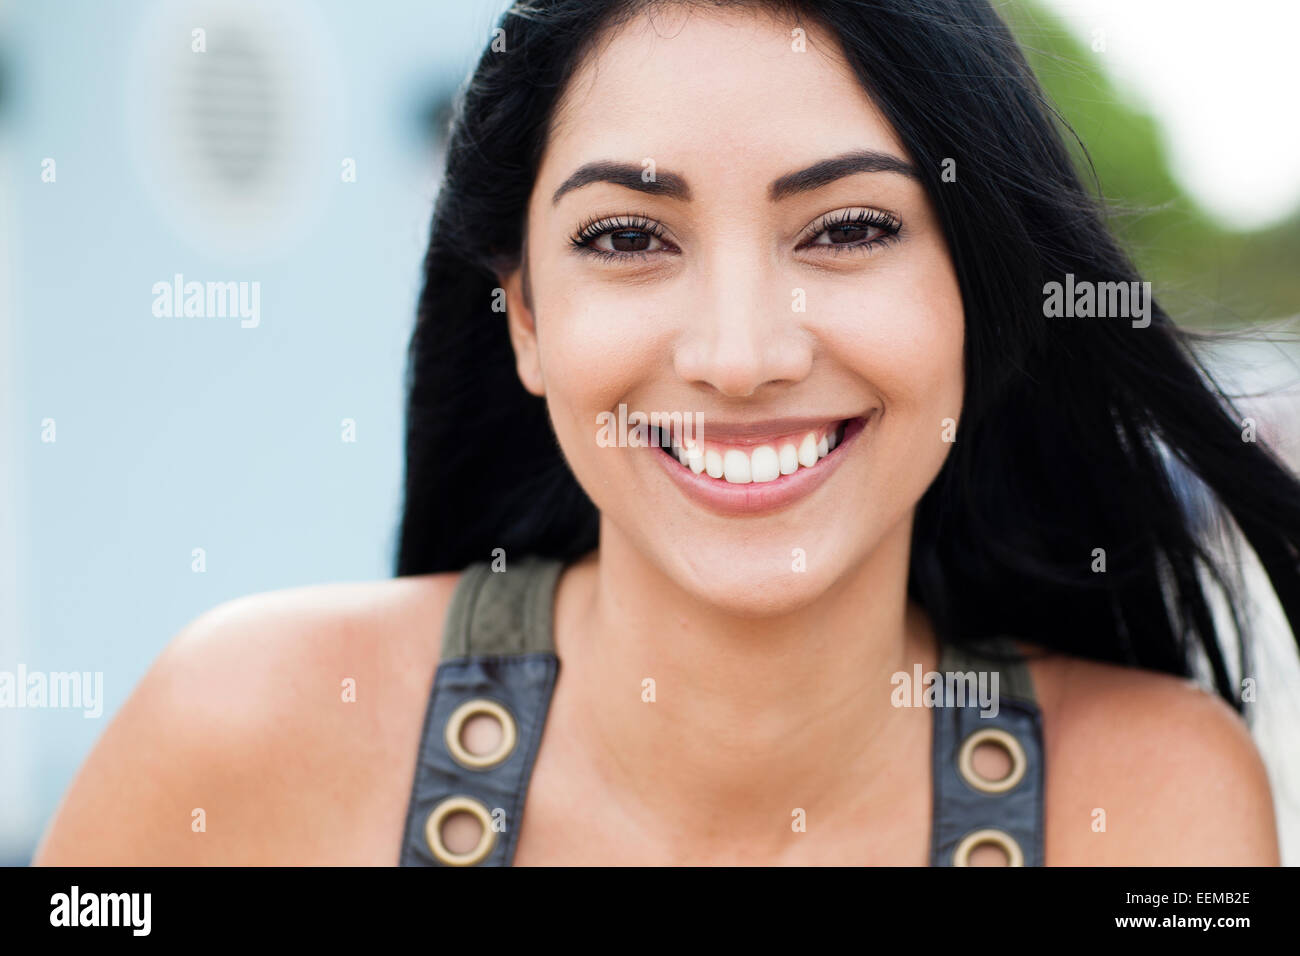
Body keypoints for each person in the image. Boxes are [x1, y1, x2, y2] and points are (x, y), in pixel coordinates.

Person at [35, 0, 1298, 866]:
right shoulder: (240, 728)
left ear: (975, 290)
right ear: (523, 315)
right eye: (628, 238)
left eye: (849, 228)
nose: (741, 355)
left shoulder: (1150, 808)